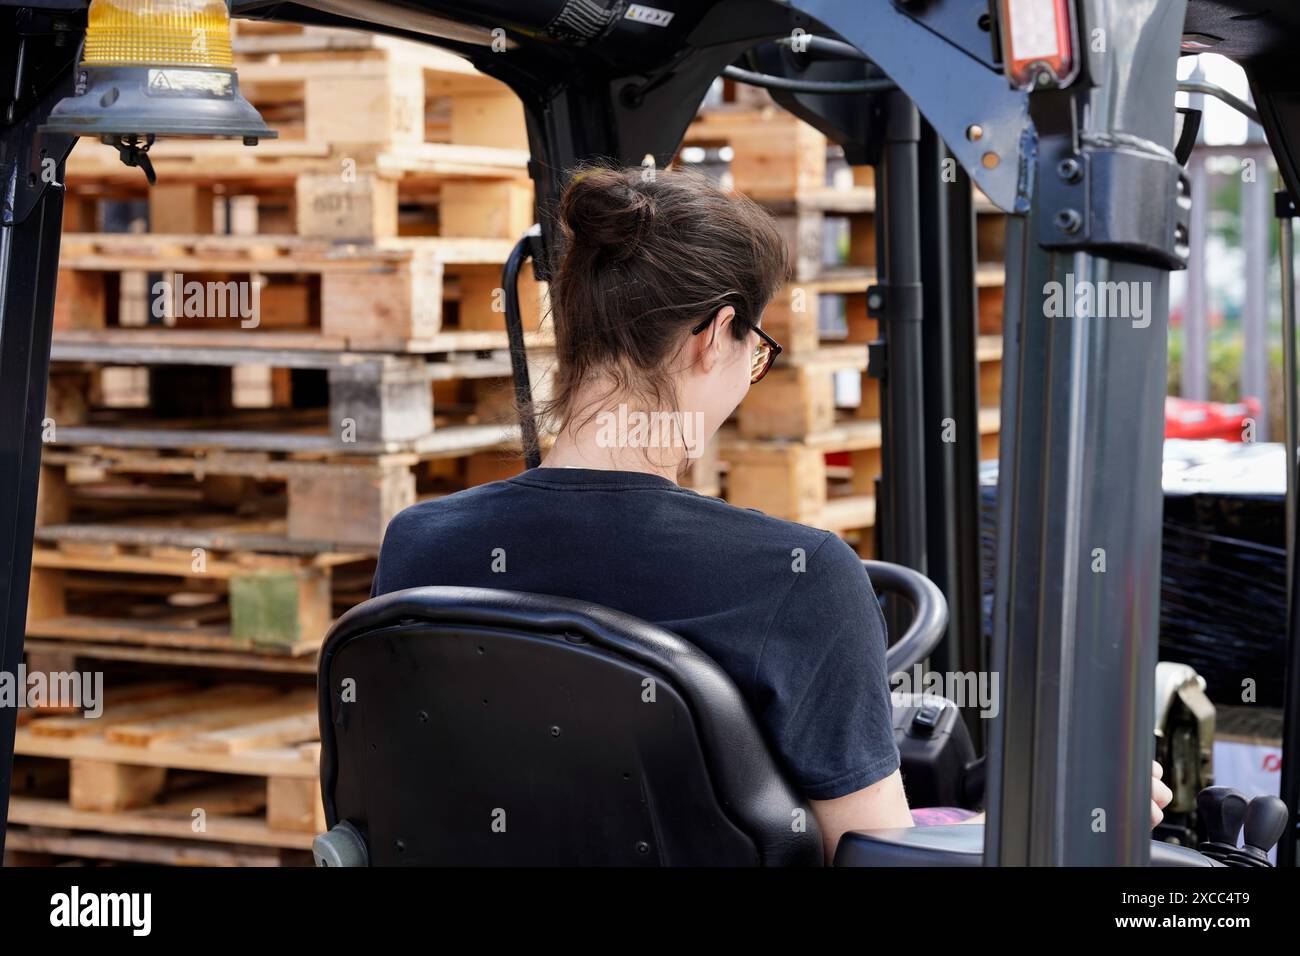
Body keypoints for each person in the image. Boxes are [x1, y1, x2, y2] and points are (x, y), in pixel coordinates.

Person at [371, 165, 1172, 862]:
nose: (749, 373)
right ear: (714, 336)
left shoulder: (421, 547)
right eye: (757, 350)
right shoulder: (803, 578)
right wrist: (1060, 820)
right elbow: (882, 860)